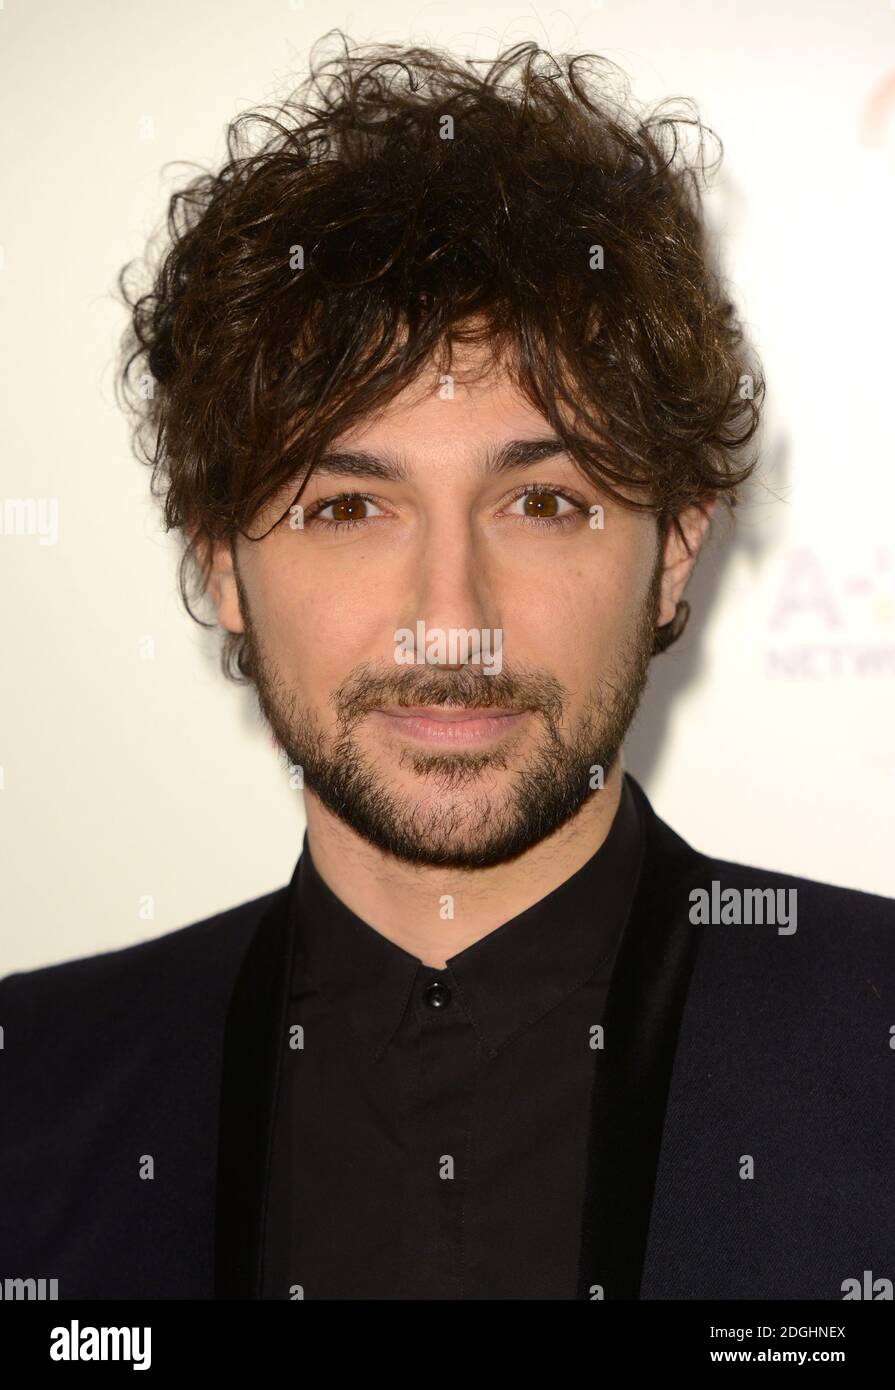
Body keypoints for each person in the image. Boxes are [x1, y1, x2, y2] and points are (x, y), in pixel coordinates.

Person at [1, 34, 892, 1302]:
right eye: (346, 509)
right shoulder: (30, 1092)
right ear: (219, 568)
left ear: (677, 548)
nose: (449, 617)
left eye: (542, 503)